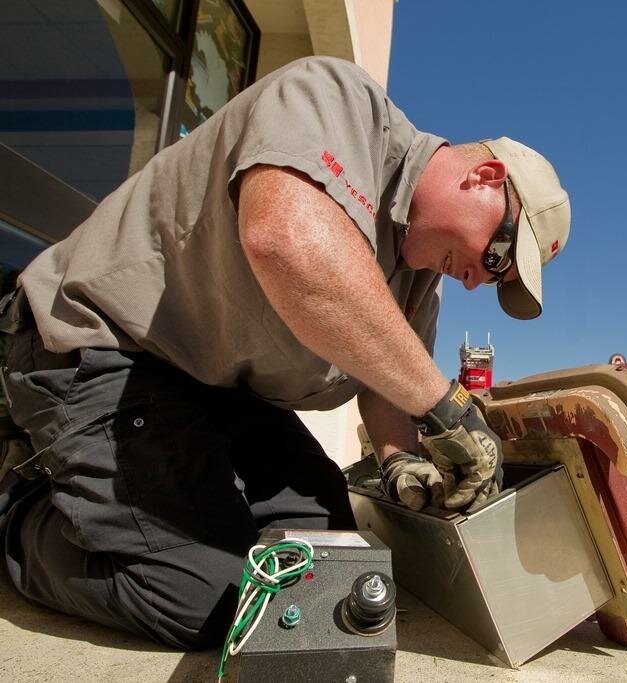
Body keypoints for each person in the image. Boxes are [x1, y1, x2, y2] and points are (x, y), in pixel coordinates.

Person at [0, 56, 570, 650]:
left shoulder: (418, 273)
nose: (481, 280)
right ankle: (18, 508)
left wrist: (401, 461)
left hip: (213, 390)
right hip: (102, 350)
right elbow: (286, 240)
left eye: (498, 280)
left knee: (323, 559)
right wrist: (449, 408)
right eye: (498, 257)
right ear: (485, 175)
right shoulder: (338, 100)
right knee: (212, 599)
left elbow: (384, 383)